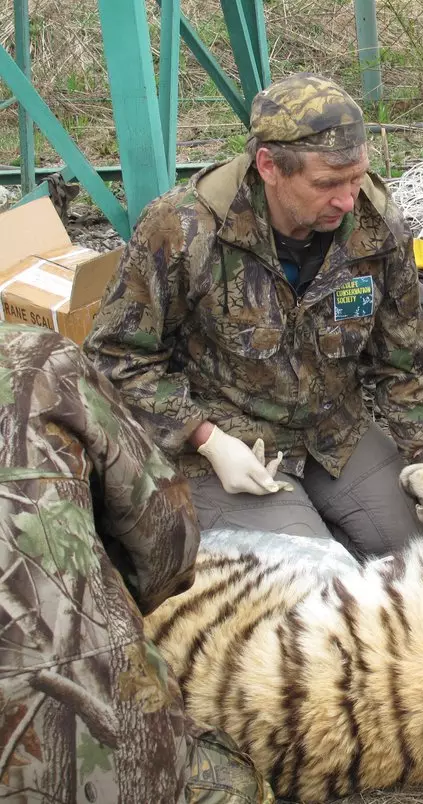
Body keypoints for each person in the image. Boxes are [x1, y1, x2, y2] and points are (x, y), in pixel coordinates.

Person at [84, 73, 423, 559]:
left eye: (357, 177)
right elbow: (114, 357)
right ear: (269, 167)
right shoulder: (185, 228)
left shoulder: (375, 225)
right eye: (327, 184)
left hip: (334, 433)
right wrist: (206, 438)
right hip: (231, 443)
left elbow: (406, 363)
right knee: (307, 581)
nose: (347, 200)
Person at [0, 322, 274, 804]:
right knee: (229, 782)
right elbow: (167, 539)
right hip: (117, 765)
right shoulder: (32, 357)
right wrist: (102, 592)